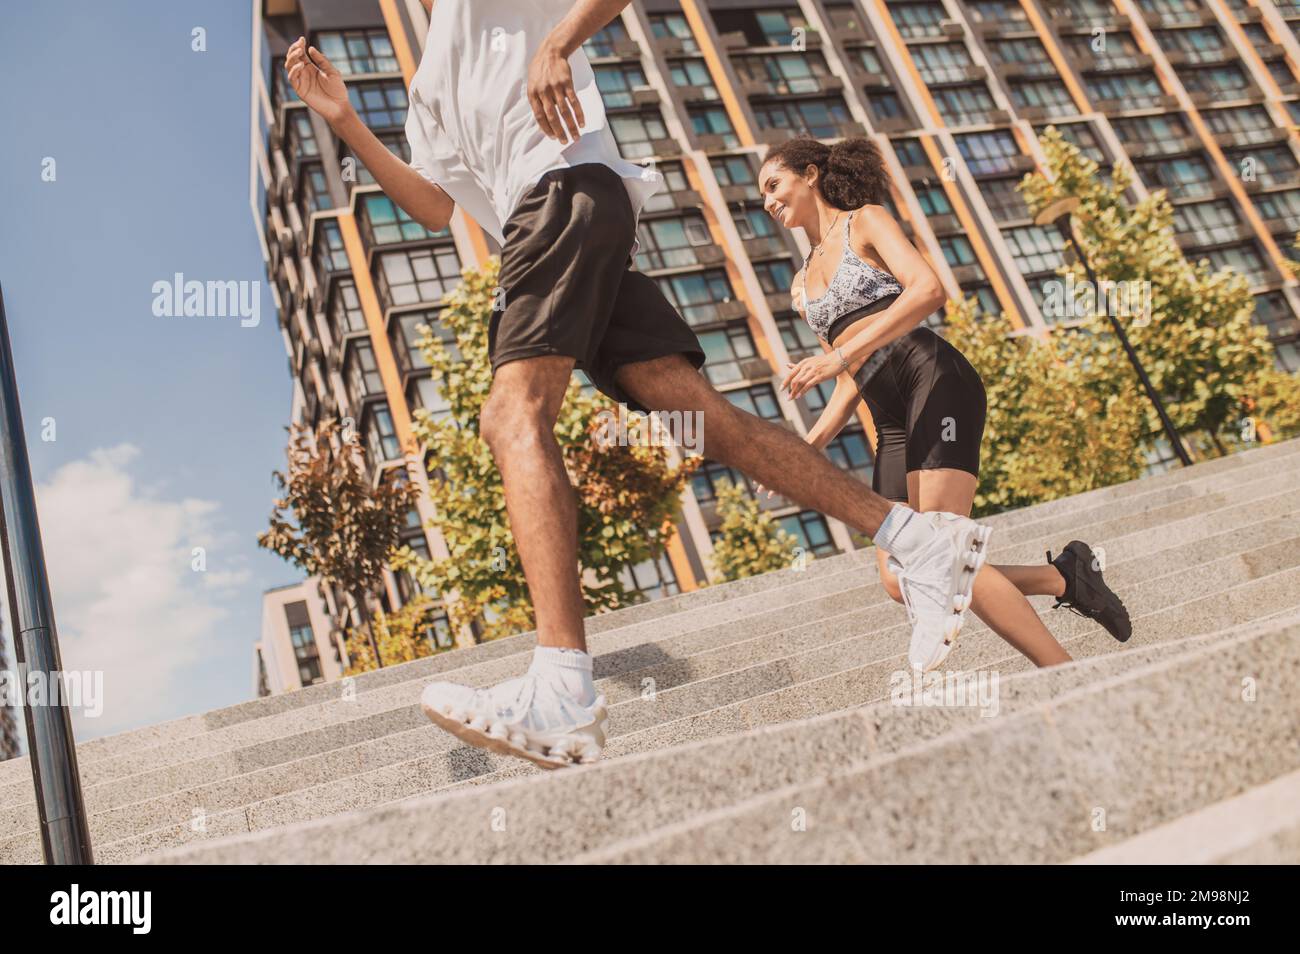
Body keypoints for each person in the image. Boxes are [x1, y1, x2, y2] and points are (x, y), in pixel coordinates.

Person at [285, 0, 996, 770]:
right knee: (707, 419)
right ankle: (913, 539)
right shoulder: (428, 85)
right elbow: (432, 207)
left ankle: (561, 689)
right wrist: (346, 120)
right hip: (568, 228)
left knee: (510, 414)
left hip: (559, 197)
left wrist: (558, 40)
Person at [758, 136, 1131, 671]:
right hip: (889, 419)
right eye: (762, 196)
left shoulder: (863, 221)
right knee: (897, 576)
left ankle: (1068, 673)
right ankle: (1064, 578)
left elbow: (929, 290)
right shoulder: (799, 286)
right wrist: (803, 448)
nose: (769, 202)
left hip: (931, 379)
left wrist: (839, 357)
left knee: (943, 552)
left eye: (775, 185)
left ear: (810, 173)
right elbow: (848, 378)